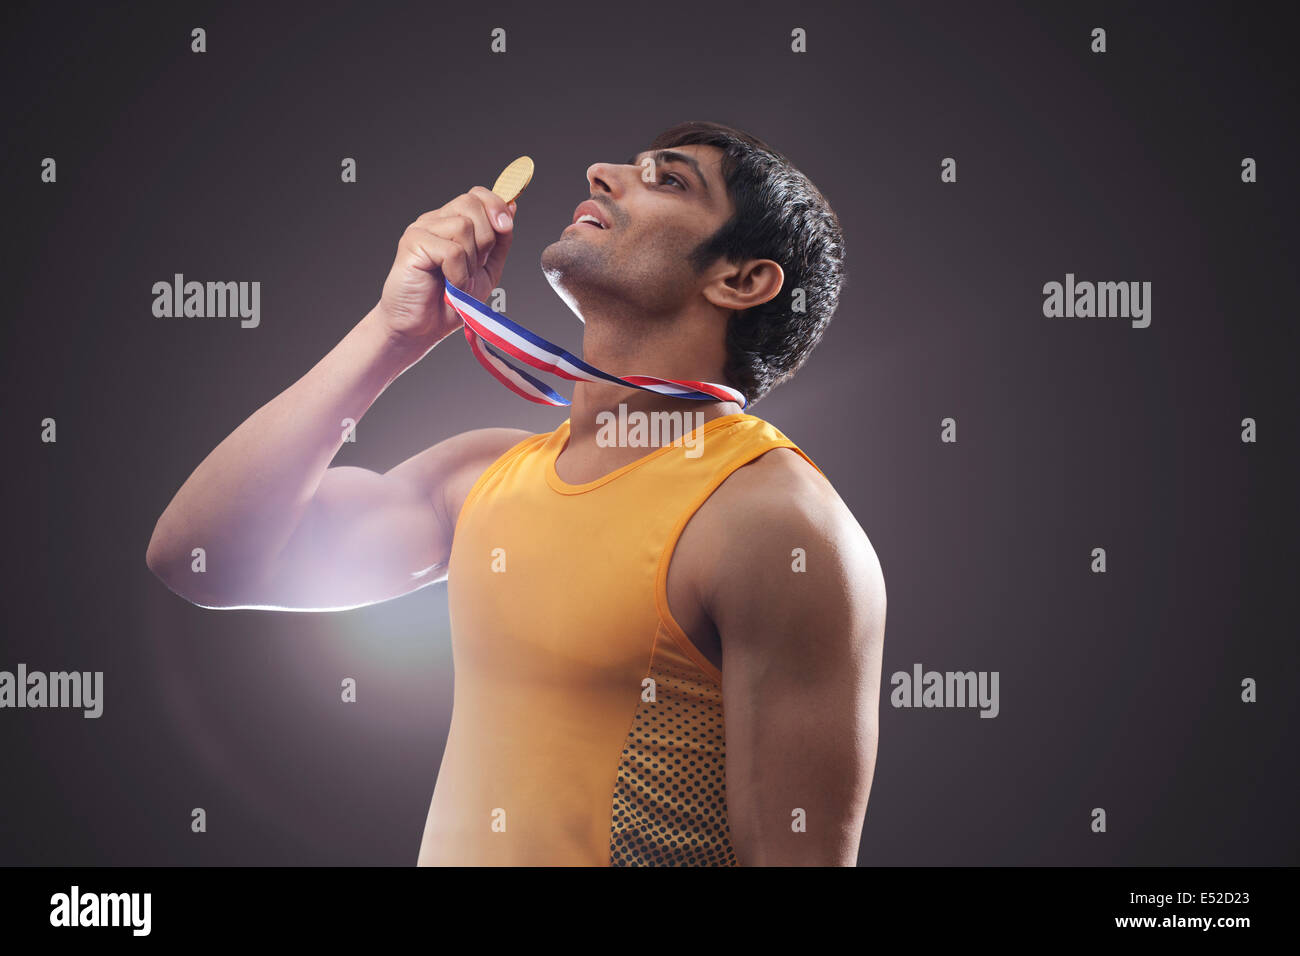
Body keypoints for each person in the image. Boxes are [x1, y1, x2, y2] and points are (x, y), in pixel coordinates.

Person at [146, 121, 887, 866]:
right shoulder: (482, 480)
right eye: (629, 166)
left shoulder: (776, 523)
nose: (601, 172)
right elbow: (202, 561)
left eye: (668, 179)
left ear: (740, 280)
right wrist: (393, 334)